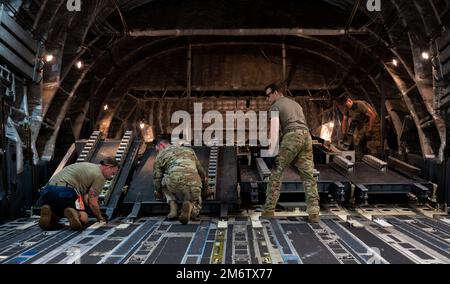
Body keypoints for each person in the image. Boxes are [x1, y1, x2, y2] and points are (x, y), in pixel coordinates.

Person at [261, 83, 320, 223]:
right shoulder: (295, 104)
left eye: (268, 96)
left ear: (276, 93)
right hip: (307, 137)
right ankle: (314, 213)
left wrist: (272, 151)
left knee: (276, 170)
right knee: (308, 175)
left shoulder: (275, 106)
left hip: (292, 136)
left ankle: (268, 210)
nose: (267, 99)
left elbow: (274, 130)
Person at [39, 157, 119, 230]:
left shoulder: (87, 166)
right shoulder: (100, 176)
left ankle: (50, 211)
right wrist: (100, 217)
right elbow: (93, 202)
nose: (111, 177)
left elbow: (84, 196)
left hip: (47, 191)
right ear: (108, 167)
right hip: (66, 192)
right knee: (84, 218)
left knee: (58, 212)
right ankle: (76, 214)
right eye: (112, 173)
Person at [153, 138, 213, 224]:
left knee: (163, 181)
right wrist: (206, 188)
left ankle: (173, 208)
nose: (158, 152)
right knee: (196, 196)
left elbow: (157, 177)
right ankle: (191, 207)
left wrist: (158, 191)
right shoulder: (189, 150)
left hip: (174, 182)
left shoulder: (160, 155)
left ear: (162, 146)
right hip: (194, 182)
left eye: (157, 150)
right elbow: (201, 172)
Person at [337, 95, 378, 160]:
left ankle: (373, 161)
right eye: (344, 106)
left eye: (346, 105)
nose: (345, 107)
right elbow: (344, 120)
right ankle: (360, 161)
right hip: (361, 124)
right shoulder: (346, 108)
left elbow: (373, 115)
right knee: (357, 143)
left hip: (371, 122)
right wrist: (344, 133)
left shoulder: (359, 104)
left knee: (372, 146)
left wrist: (369, 130)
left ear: (349, 100)